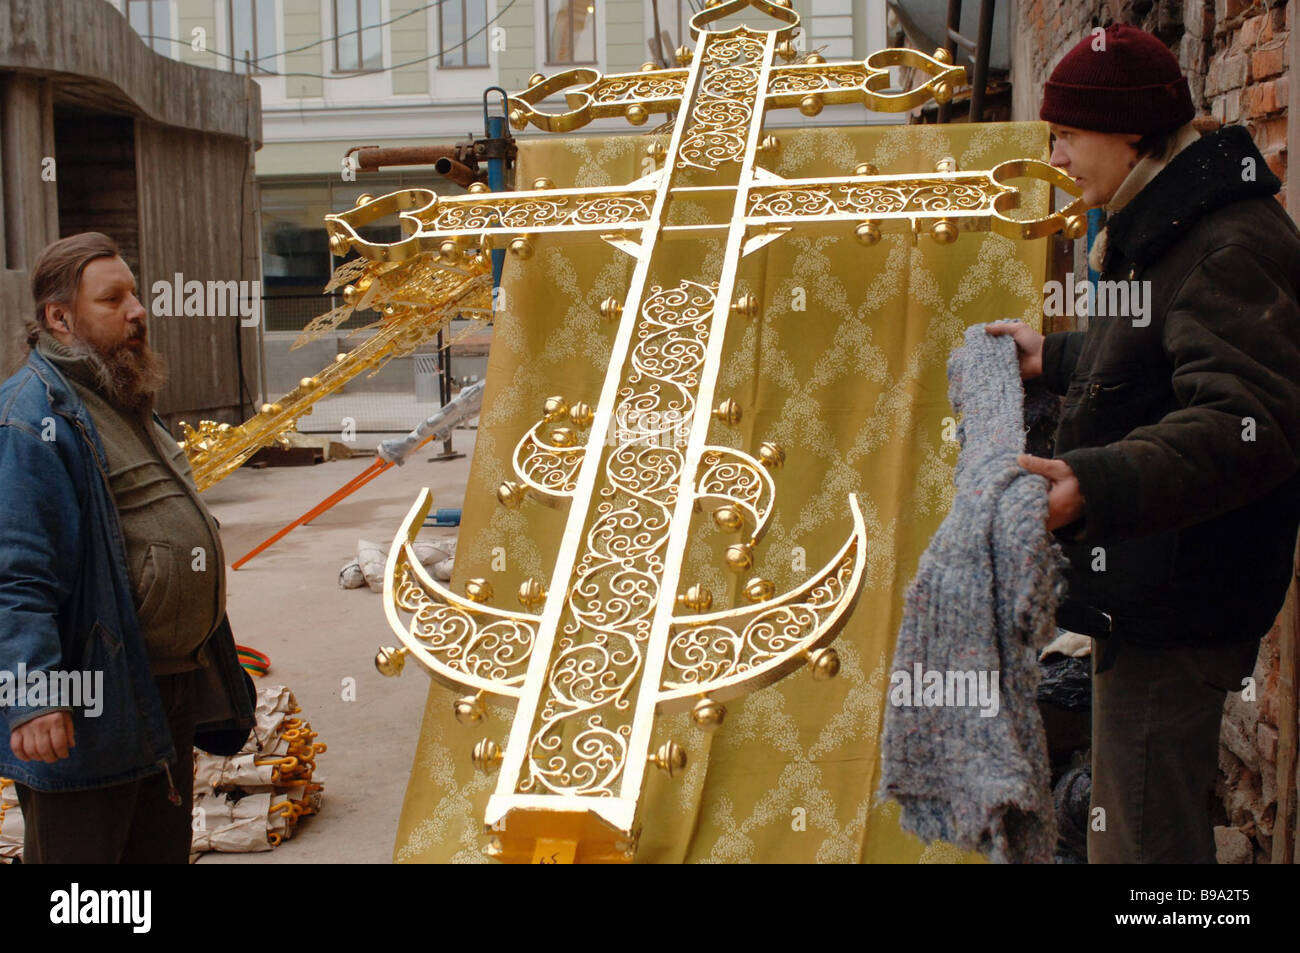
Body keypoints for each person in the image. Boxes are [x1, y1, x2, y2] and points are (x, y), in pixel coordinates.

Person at [988, 23, 1300, 863]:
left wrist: (1091, 485)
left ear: (1130, 133)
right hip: (1149, 589)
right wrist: (1048, 354)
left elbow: (1249, 424)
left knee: (1144, 856)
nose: (1056, 154)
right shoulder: (1164, 221)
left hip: (1180, 603)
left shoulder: (1222, 244)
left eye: (1067, 135)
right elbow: (1149, 354)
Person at [0, 232, 254, 863]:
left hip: (159, 691)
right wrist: (33, 699)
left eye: (135, 295)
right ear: (61, 318)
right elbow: (15, 573)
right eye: (113, 300)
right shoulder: (32, 418)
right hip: (88, 705)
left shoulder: (122, 398)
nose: (138, 311)